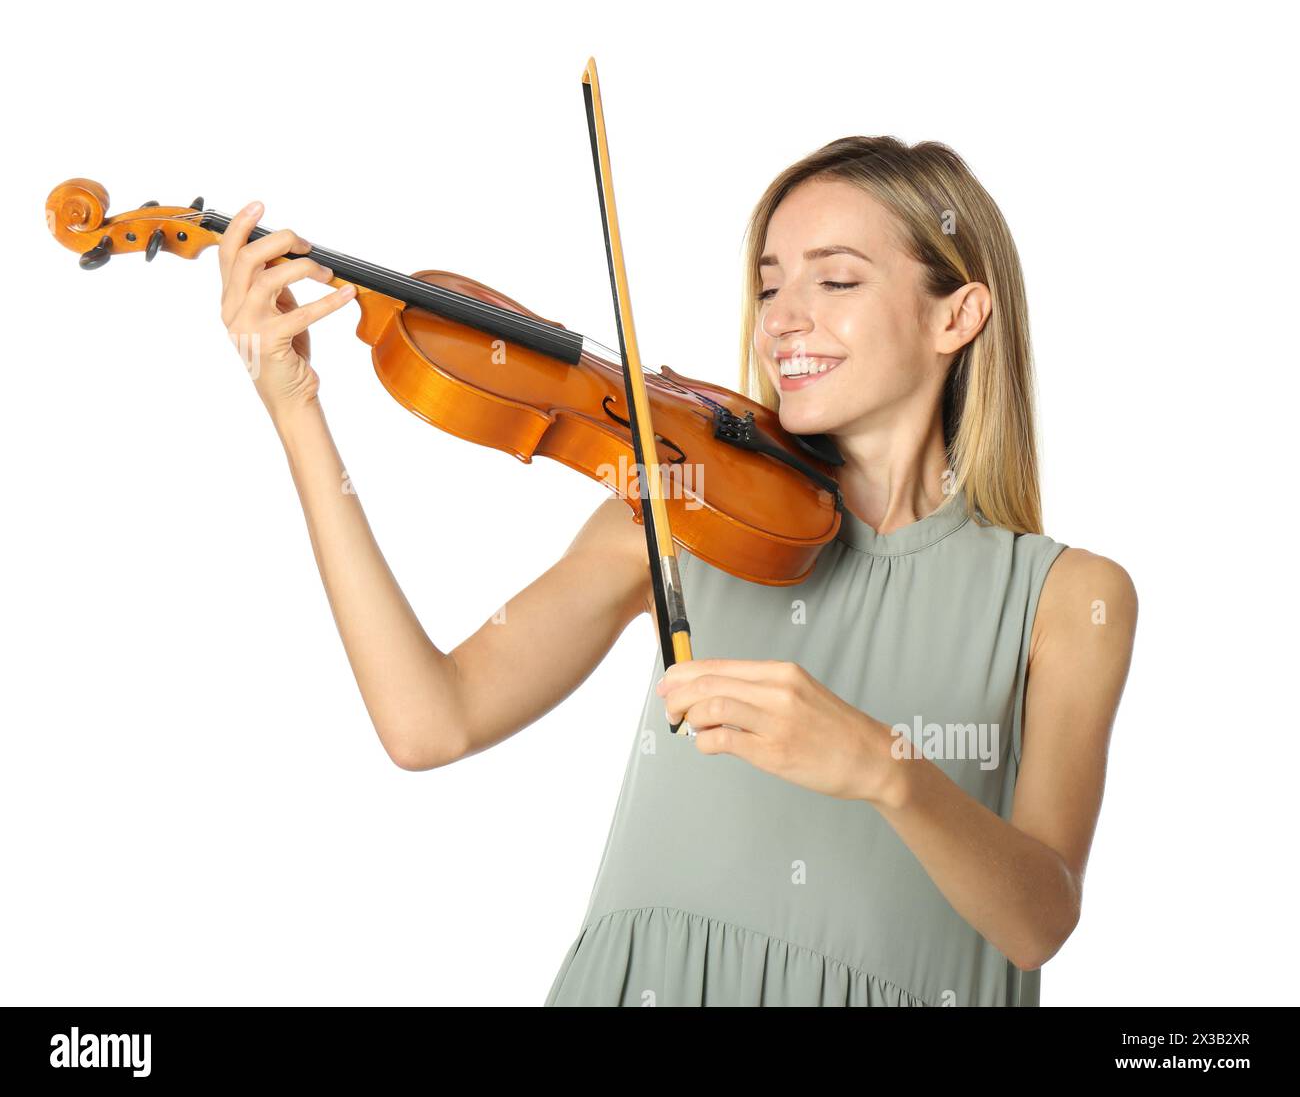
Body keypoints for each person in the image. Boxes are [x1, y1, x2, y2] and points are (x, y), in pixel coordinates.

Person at [218, 135, 1138, 1007]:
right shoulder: (679, 512)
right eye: (770, 283)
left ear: (958, 315)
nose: (783, 318)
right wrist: (297, 410)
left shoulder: (1069, 597)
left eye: (839, 279)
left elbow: (1039, 920)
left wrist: (884, 767)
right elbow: (430, 720)